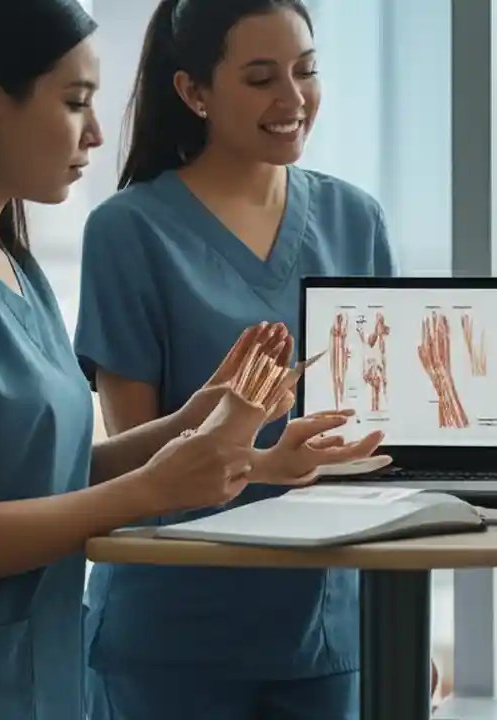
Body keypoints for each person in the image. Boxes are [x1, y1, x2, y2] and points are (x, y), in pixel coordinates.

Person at [0, 1, 349, 718]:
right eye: (75, 101)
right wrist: (154, 490)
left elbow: (55, 476)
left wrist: (212, 424)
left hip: (30, 691)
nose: (94, 132)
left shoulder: (15, 271)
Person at [73, 0, 400, 717]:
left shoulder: (356, 222)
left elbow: (380, 450)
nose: (293, 100)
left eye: (306, 71)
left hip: (325, 637)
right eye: (260, 79)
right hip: (170, 638)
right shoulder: (128, 233)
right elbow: (135, 466)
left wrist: (398, 636)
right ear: (193, 92)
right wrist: (260, 458)